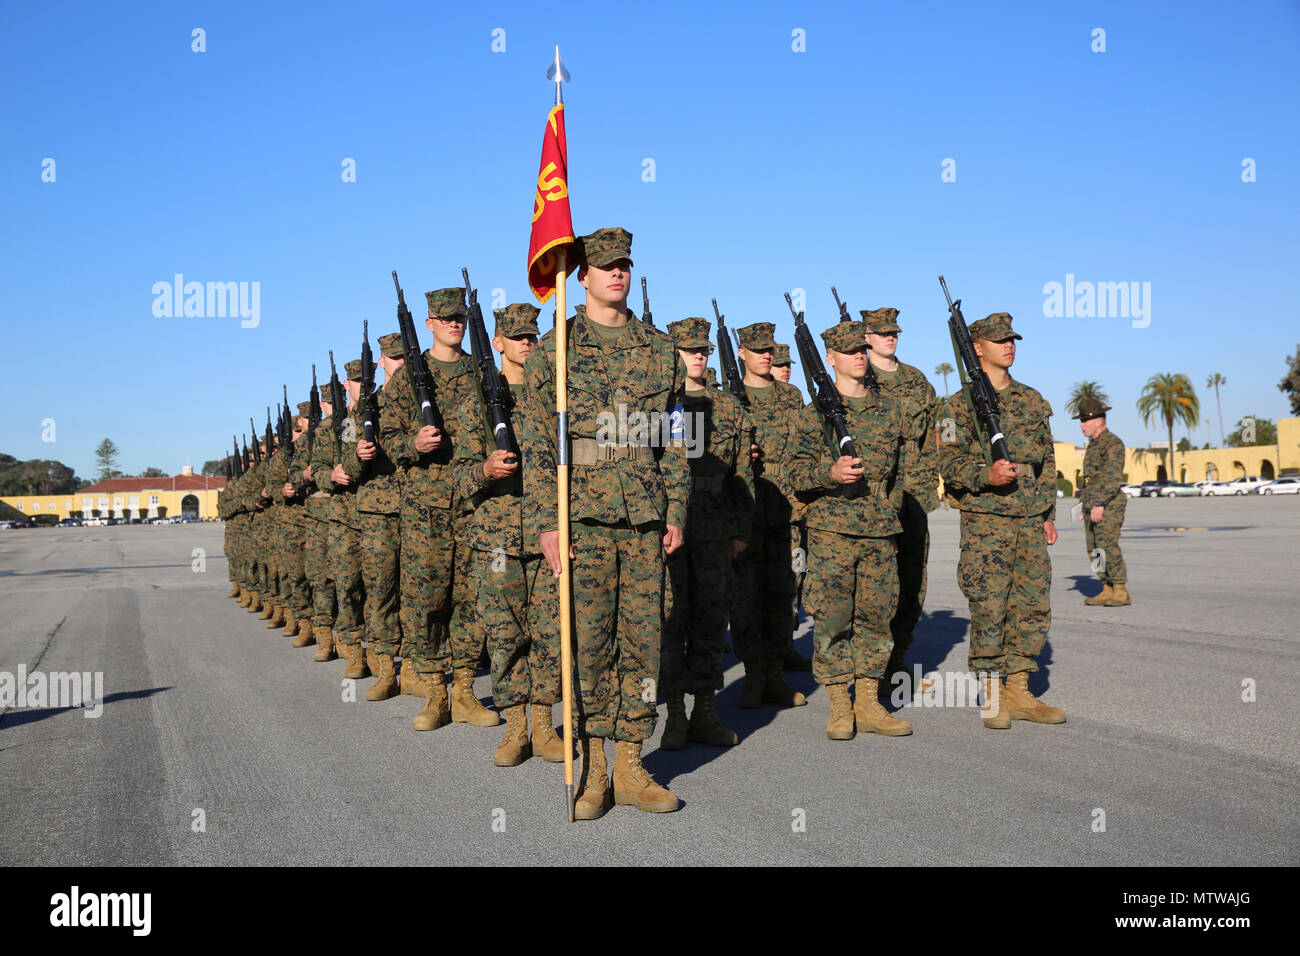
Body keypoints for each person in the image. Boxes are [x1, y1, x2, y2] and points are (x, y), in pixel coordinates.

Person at [519, 226, 688, 818]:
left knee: (644, 644)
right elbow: (539, 444)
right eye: (606, 265)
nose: (619, 273)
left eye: (626, 264)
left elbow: (674, 441)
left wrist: (677, 511)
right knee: (586, 643)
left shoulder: (661, 349)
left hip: (643, 514)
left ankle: (632, 764)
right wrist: (545, 522)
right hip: (582, 517)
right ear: (581, 276)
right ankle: (591, 766)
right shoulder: (555, 350)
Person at [937, 312, 1065, 728]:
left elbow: (1048, 462)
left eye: (1012, 339)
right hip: (986, 520)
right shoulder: (955, 406)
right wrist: (984, 476)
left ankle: (1020, 690)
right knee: (991, 605)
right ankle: (993, 694)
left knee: (1031, 605)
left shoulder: (1032, 399)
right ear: (976, 348)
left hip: (1029, 517)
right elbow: (947, 461)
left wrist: (1047, 512)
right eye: (999, 340)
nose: (1009, 345)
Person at [453, 302, 567, 765]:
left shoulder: (554, 399)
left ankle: (543, 725)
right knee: (504, 635)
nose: (526, 343)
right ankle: (516, 726)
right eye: (516, 337)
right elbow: (457, 481)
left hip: (547, 535)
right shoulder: (473, 406)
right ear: (496, 343)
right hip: (497, 538)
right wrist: (483, 470)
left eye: (532, 336)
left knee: (550, 633)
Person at [788, 320, 912, 739]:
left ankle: (869, 703)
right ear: (831, 359)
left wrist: (891, 524)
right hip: (832, 529)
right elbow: (795, 473)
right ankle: (840, 706)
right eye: (850, 351)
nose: (859, 356)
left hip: (878, 529)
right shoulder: (813, 415)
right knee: (833, 617)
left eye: (863, 349)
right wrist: (830, 472)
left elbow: (900, 478)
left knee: (877, 617)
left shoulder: (889, 409)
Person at [388, 286, 498, 732]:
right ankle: (435, 693)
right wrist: (412, 444)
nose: (454, 324)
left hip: (474, 501)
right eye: (446, 318)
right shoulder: (408, 379)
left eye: (460, 318)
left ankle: (466, 691)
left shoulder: (482, 371)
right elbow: (383, 441)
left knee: (471, 597)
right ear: (429, 323)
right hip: (425, 505)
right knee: (426, 598)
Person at [660, 316, 753, 750]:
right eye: (689, 349)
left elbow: (742, 473)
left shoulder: (729, 406)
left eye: (704, 350)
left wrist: (740, 529)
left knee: (712, 616)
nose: (699, 356)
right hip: (671, 524)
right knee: (672, 618)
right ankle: (674, 713)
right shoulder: (660, 402)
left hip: (715, 523)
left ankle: (705, 710)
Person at [729, 322, 810, 705]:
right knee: (745, 597)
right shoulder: (727, 399)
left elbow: (804, 447)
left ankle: (776, 673)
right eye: (757, 349)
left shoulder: (792, 397)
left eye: (770, 350)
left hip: (785, 510)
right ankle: (753, 675)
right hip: (744, 509)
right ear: (741, 352)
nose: (766, 355)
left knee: (782, 595)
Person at [861, 308, 940, 690]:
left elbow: (934, 436)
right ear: (866, 336)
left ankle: (896, 662)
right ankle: (868, 669)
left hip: (915, 496)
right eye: (881, 332)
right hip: (876, 496)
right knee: (878, 586)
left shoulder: (916, 380)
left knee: (912, 582)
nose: (890, 337)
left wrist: (932, 480)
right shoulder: (859, 377)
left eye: (894, 332)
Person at [344, 333, 406, 703]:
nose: (399, 365)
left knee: (417, 594)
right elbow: (345, 466)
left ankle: (415, 666)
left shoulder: (420, 400)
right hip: (378, 512)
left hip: (418, 507)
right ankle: (385, 668)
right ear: (381, 363)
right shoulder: (363, 411)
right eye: (393, 359)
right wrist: (358, 456)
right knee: (381, 590)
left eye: (404, 359)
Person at [1076, 397, 1129, 606]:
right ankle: (1106, 586)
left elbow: (1112, 478)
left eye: (1085, 421)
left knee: (1107, 546)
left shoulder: (1113, 443)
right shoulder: (1093, 445)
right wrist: (1084, 505)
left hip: (1109, 504)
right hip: (1092, 505)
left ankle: (1120, 588)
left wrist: (1099, 504)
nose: (1081, 425)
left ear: (1098, 421)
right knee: (1094, 549)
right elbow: (1090, 480)